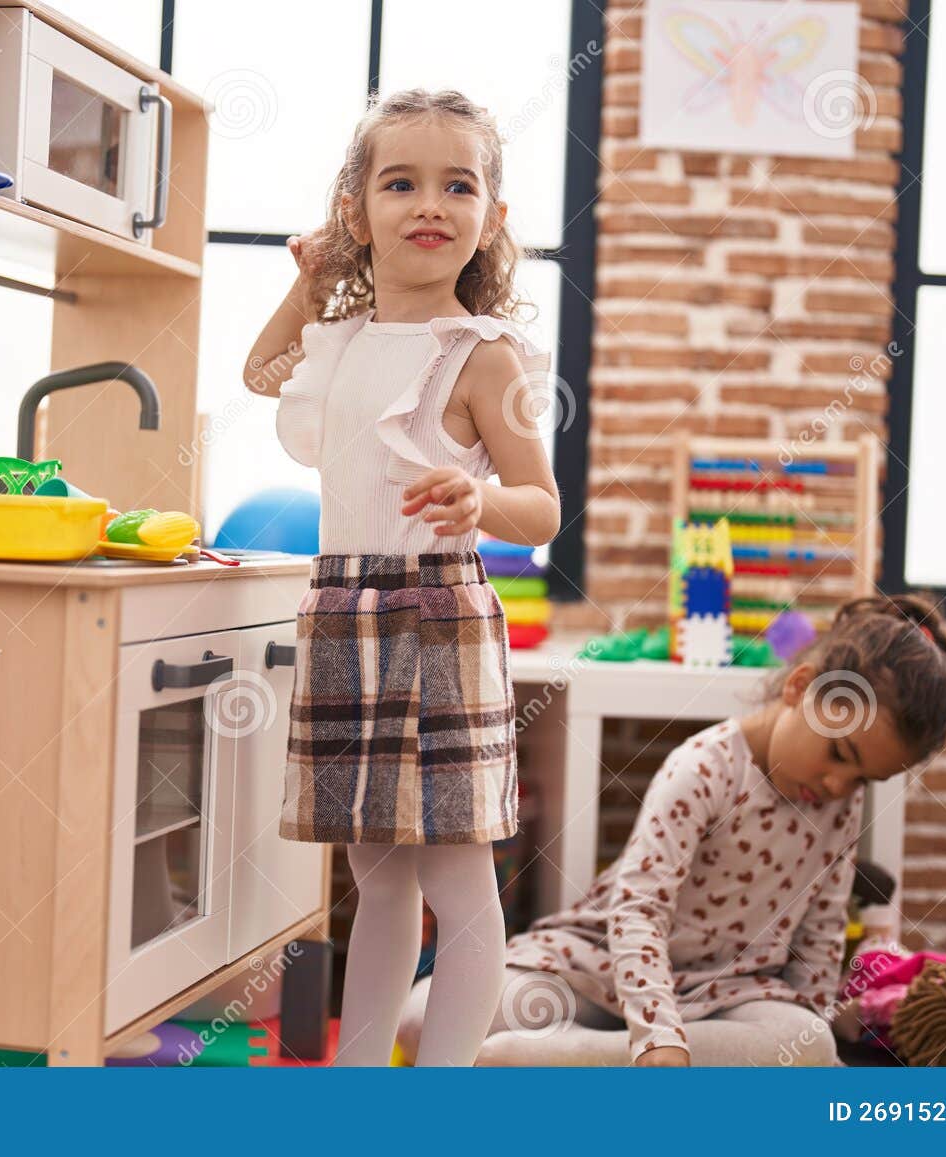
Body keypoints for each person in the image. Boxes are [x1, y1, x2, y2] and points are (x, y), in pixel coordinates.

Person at [243, 88, 561, 1066]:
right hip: (342, 612)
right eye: (400, 182)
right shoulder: (337, 344)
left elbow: (542, 506)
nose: (430, 202)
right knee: (376, 877)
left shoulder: (480, 353)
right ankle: (358, 1078)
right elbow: (263, 373)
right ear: (358, 211)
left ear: (490, 220)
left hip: (435, 619)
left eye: (457, 184)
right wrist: (310, 279)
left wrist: (480, 506)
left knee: (460, 887)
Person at [398, 595, 946, 1066]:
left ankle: (556, 1061)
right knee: (421, 1020)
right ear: (801, 686)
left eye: (864, 779)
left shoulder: (839, 801)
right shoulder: (706, 765)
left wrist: (813, 1041)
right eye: (839, 754)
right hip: (600, 964)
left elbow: (823, 930)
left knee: (806, 1044)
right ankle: (624, 1058)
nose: (840, 785)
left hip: (733, 994)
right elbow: (638, 910)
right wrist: (655, 1034)